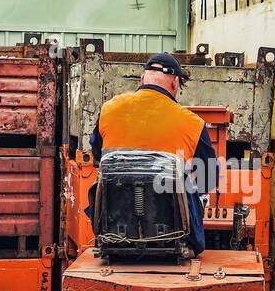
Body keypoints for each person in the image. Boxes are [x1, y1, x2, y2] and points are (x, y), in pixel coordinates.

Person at [88, 52, 216, 255]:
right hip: (173, 234)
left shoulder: (109, 109)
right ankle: (189, 245)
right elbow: (208, 180)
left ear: (142, 78)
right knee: (189, 186)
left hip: (114, 229)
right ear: (175, 83)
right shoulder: (192, 123)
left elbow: (97, 154)